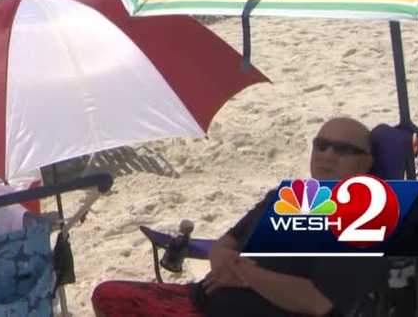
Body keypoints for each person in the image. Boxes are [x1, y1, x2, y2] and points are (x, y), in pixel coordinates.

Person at [92, 117, 387, 317]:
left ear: (367, 163)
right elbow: (227, 242)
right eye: (321, 145)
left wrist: (246, 275)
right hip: (204, 299)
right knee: (108, 295)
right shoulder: (290, 197)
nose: (328, 155)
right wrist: (226, 262)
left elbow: (319, 302)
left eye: (344, 149)